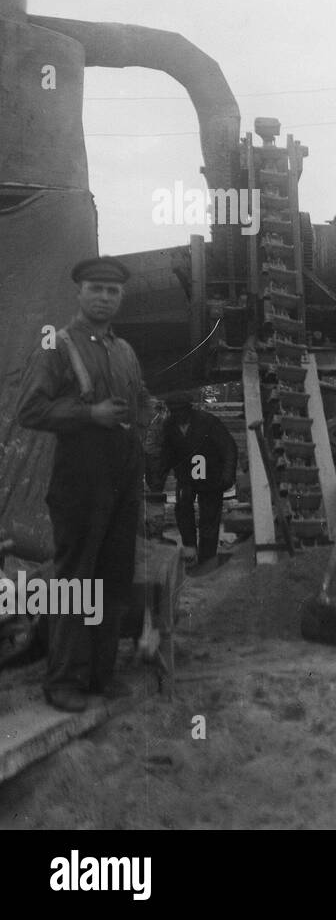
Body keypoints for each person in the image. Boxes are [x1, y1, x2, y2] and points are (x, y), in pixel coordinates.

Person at [17, 257, 153, 712]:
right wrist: (87, 414)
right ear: (79, 292)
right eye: (96, 289)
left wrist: (145, 412)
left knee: (113, 579)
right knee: (75, 581)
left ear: (121, 298)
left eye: (112, 292)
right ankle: (64, 683)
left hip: (122, 479)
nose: (104, 298)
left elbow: (138, 399)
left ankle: (100, 676)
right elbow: (30, 411)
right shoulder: (57, 346)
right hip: (80, 482)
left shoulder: (125, 351)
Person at [151, 391, 237, 575]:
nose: (177, 415)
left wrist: (228, 475)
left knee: (209, 516)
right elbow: (167, 453)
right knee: (182, 509)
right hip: (186, 477)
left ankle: (207, 560)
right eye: (173, 411)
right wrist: (160, 477)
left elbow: (229, 447)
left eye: (180, 410)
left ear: (189, 409)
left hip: (211, 476)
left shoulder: (208, 422)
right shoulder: (170, 426)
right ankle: (190, 550)